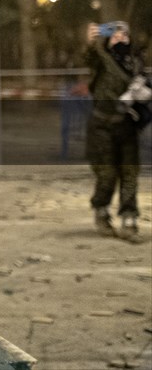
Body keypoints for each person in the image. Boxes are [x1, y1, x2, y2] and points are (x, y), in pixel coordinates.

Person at [85, 21, 144, 243]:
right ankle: (101, 211)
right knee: (107, 174)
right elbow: (90, 57)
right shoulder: (102, 59)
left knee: (129, 173)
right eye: (115, 35)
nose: (120, 38)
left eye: (124, 35)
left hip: (127, 125)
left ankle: (129, 219)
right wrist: (90, 42)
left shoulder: (136, 63)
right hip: (102, 126)